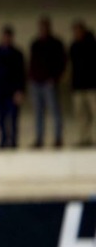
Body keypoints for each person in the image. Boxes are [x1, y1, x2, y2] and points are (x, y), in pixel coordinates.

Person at [28, 17, 67, 149]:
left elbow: (62, 62)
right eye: (41, 27)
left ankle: (58, 138)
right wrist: (32, 78)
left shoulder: (56, 44)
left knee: (55, 111)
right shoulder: (35, 44)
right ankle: (39, 139)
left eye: (45, 27)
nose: (42, 30)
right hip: (36, 83)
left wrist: (55, 78)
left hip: (49, 83)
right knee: (38, 113)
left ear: (49, 28)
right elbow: (31, 62)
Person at [0, 27, 26, 149]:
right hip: (0, 91)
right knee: (1, 119)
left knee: (13, 118)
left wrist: (20, 91)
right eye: (4, 36)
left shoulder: (17, 54)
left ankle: (13, 142)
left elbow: (22, 74)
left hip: (13, 92)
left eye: (8, 37)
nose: (6, 39)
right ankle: (3, 140)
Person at [70, 19, 96, 147]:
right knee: (81, 115)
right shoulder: (74, 46)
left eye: (78, 31)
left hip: (92, 86)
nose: (76, 33)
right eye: (74, 31)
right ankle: (84, 139)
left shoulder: (92, 45)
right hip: (78, 87)